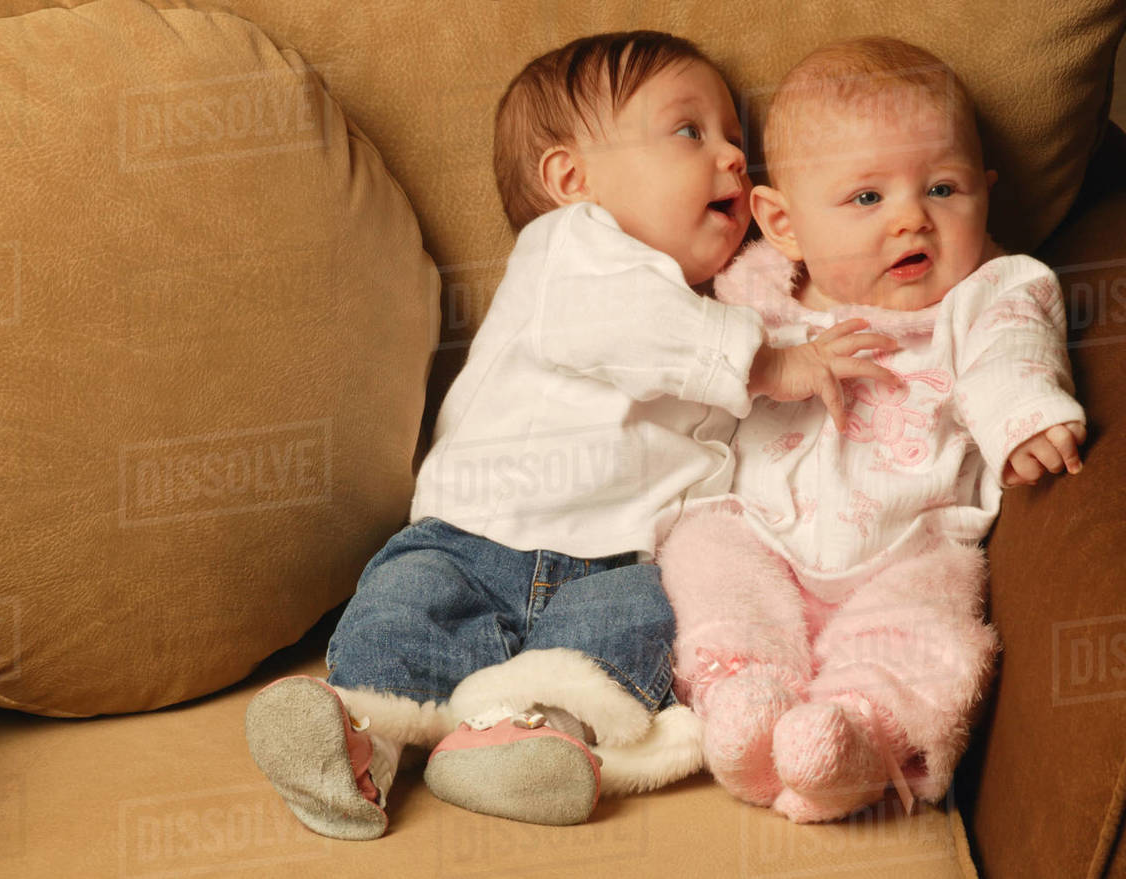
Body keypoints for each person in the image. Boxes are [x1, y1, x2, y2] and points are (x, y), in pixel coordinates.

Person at [245, 30, 898, 840]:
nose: (734, 156)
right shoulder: (572, 252)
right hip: (471, 537)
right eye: (690, 131)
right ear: (570, 179)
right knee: (404, 610)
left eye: (737, 138)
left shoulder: (732, 302)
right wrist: (767, 363)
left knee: (638, 627)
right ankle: (354, 730)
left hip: (622, 564)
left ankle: (524, 732)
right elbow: (627, 327)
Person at [658, 36, 1087, 823]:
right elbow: (677, 357)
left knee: (941, 625)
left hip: (910, 547)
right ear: (781, 223)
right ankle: (743, 693)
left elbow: (1013, 349)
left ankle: (858, 737)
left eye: (945, 188)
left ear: (986, 195)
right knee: (701, 550)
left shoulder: (986, 292)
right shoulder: (750, 295)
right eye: (866, 199)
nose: (912, 220)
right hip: (759, 534)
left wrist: (1022, 417)